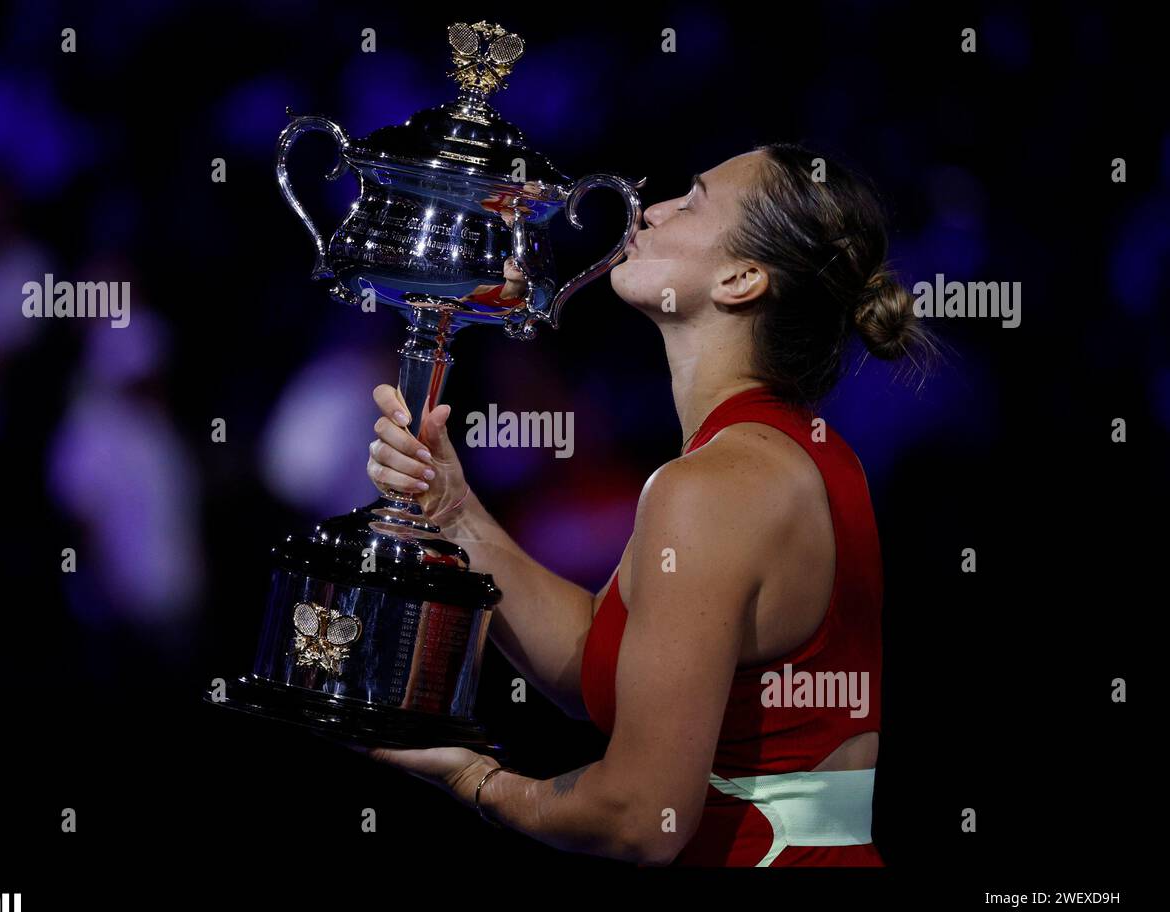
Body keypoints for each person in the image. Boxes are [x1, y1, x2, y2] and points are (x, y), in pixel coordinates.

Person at [351, 143, 941, 866]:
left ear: (741, 278)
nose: (649, 209)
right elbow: (598, 667)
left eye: (689, 201)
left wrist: (477, 781)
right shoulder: (791, 455)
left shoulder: (715, 487)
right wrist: (454, 510)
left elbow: (641, 817)